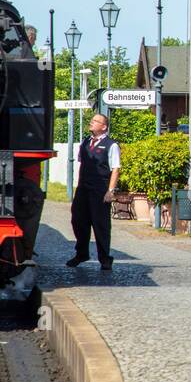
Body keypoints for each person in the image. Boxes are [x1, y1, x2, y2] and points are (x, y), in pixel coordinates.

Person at [66, 113, 120, 270]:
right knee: (78, 220)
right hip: (83, 189)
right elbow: (82, 165)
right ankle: (81, 253)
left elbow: (115, 169)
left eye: (95, 121)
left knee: (100, 224)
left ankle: (105, 258)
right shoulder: (85, 143)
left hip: (100, 190)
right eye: (92, 120)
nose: (91, 122)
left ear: (104, 127)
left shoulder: (111, 145)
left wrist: (110, 191)